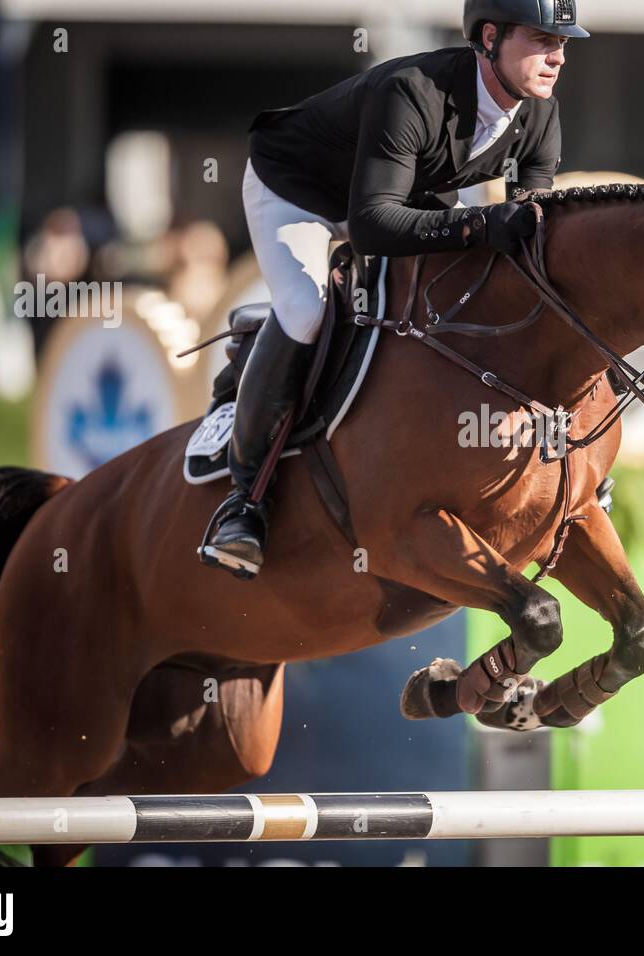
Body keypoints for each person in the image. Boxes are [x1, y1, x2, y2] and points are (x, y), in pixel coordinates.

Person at [200, 0, 588, 578]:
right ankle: (244, 502)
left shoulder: (539, 114)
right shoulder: (413, 91)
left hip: (399, 197)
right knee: (307, 311)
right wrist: (480, 224)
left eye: (562, 42)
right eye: (540, 39)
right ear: (490, 36)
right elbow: (371, 228)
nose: (556, 56)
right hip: (300, 192)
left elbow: (525, 236)